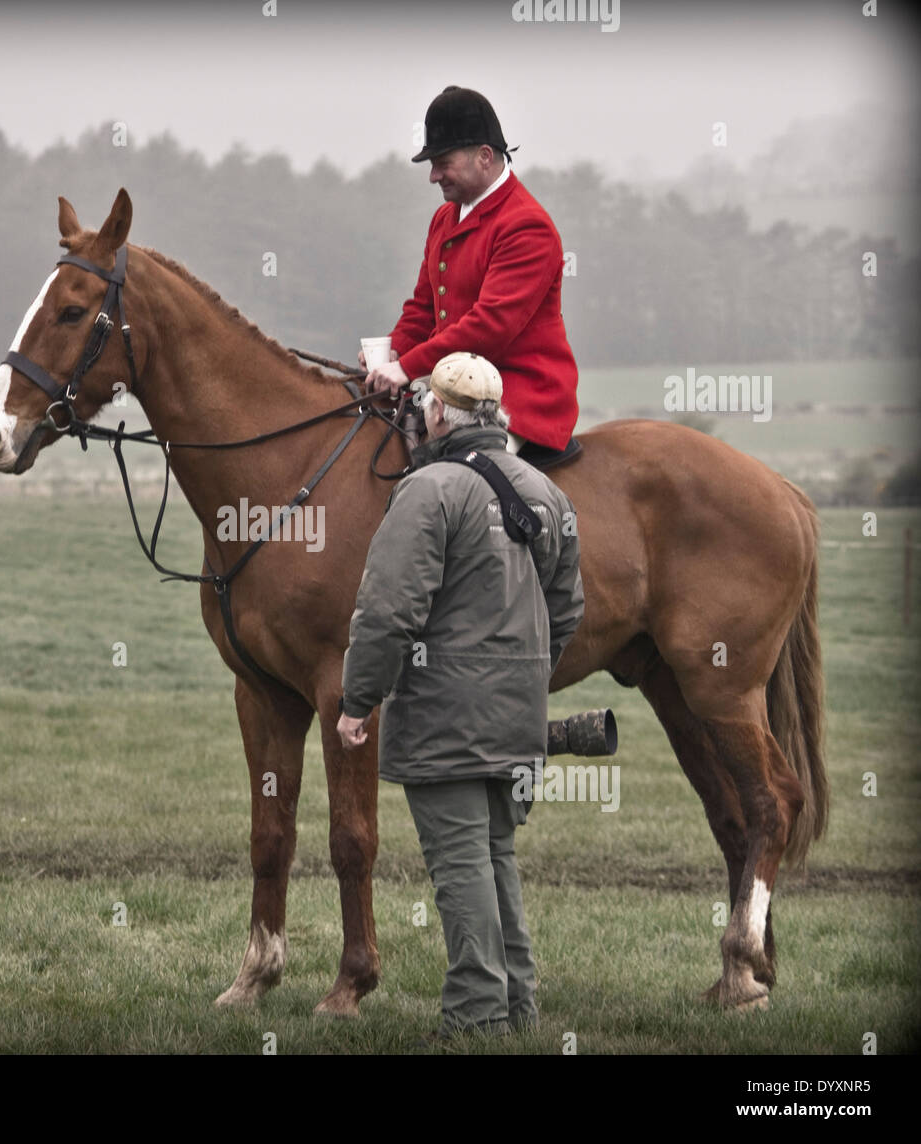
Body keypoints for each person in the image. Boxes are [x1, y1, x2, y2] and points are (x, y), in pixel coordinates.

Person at [337, 351, 584, 1041]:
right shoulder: (546, 491)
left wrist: (359, 701)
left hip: (447, 718)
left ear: (439, 412)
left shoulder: (429, 490)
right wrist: (524, 677)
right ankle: (518, 1005)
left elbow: (389, 610)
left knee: (461, 864)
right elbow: (566, 609)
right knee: (497, 855)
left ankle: (477, 1014)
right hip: (517, 717)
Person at [361, 85, 580, 465]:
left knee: (457, 482)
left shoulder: (527, 226)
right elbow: (423, 308)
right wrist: (392, 351)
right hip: (453, 389)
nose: (433, 176)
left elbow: (488, 328)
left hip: (517, 399)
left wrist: (406, 367)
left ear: (483, 156)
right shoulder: (445, 218)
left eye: (443, 162)